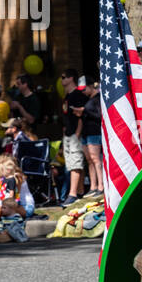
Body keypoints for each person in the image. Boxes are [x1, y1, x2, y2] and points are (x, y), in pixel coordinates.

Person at [60, 69, 87, 205]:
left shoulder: (78, 95)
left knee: (75, 163)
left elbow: (81, 116)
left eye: (64, 77)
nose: (62, 79)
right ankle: (80, 191)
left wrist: (78, 133)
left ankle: (72, 194)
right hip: (68, 134)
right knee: (72, 162)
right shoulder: (67, 96)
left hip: (76, 134)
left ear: (71, 78)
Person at [81, 78, 103, 195]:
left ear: (91, 86)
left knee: (96, 159)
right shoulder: (88, 99)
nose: (83, 91)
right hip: (86, 132)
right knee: (90, 160)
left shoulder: (98, 98)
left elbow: (100, 115)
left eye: (84, 89)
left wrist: (85, 110)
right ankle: (93, 186)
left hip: (95, 132)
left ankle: (101, 186)